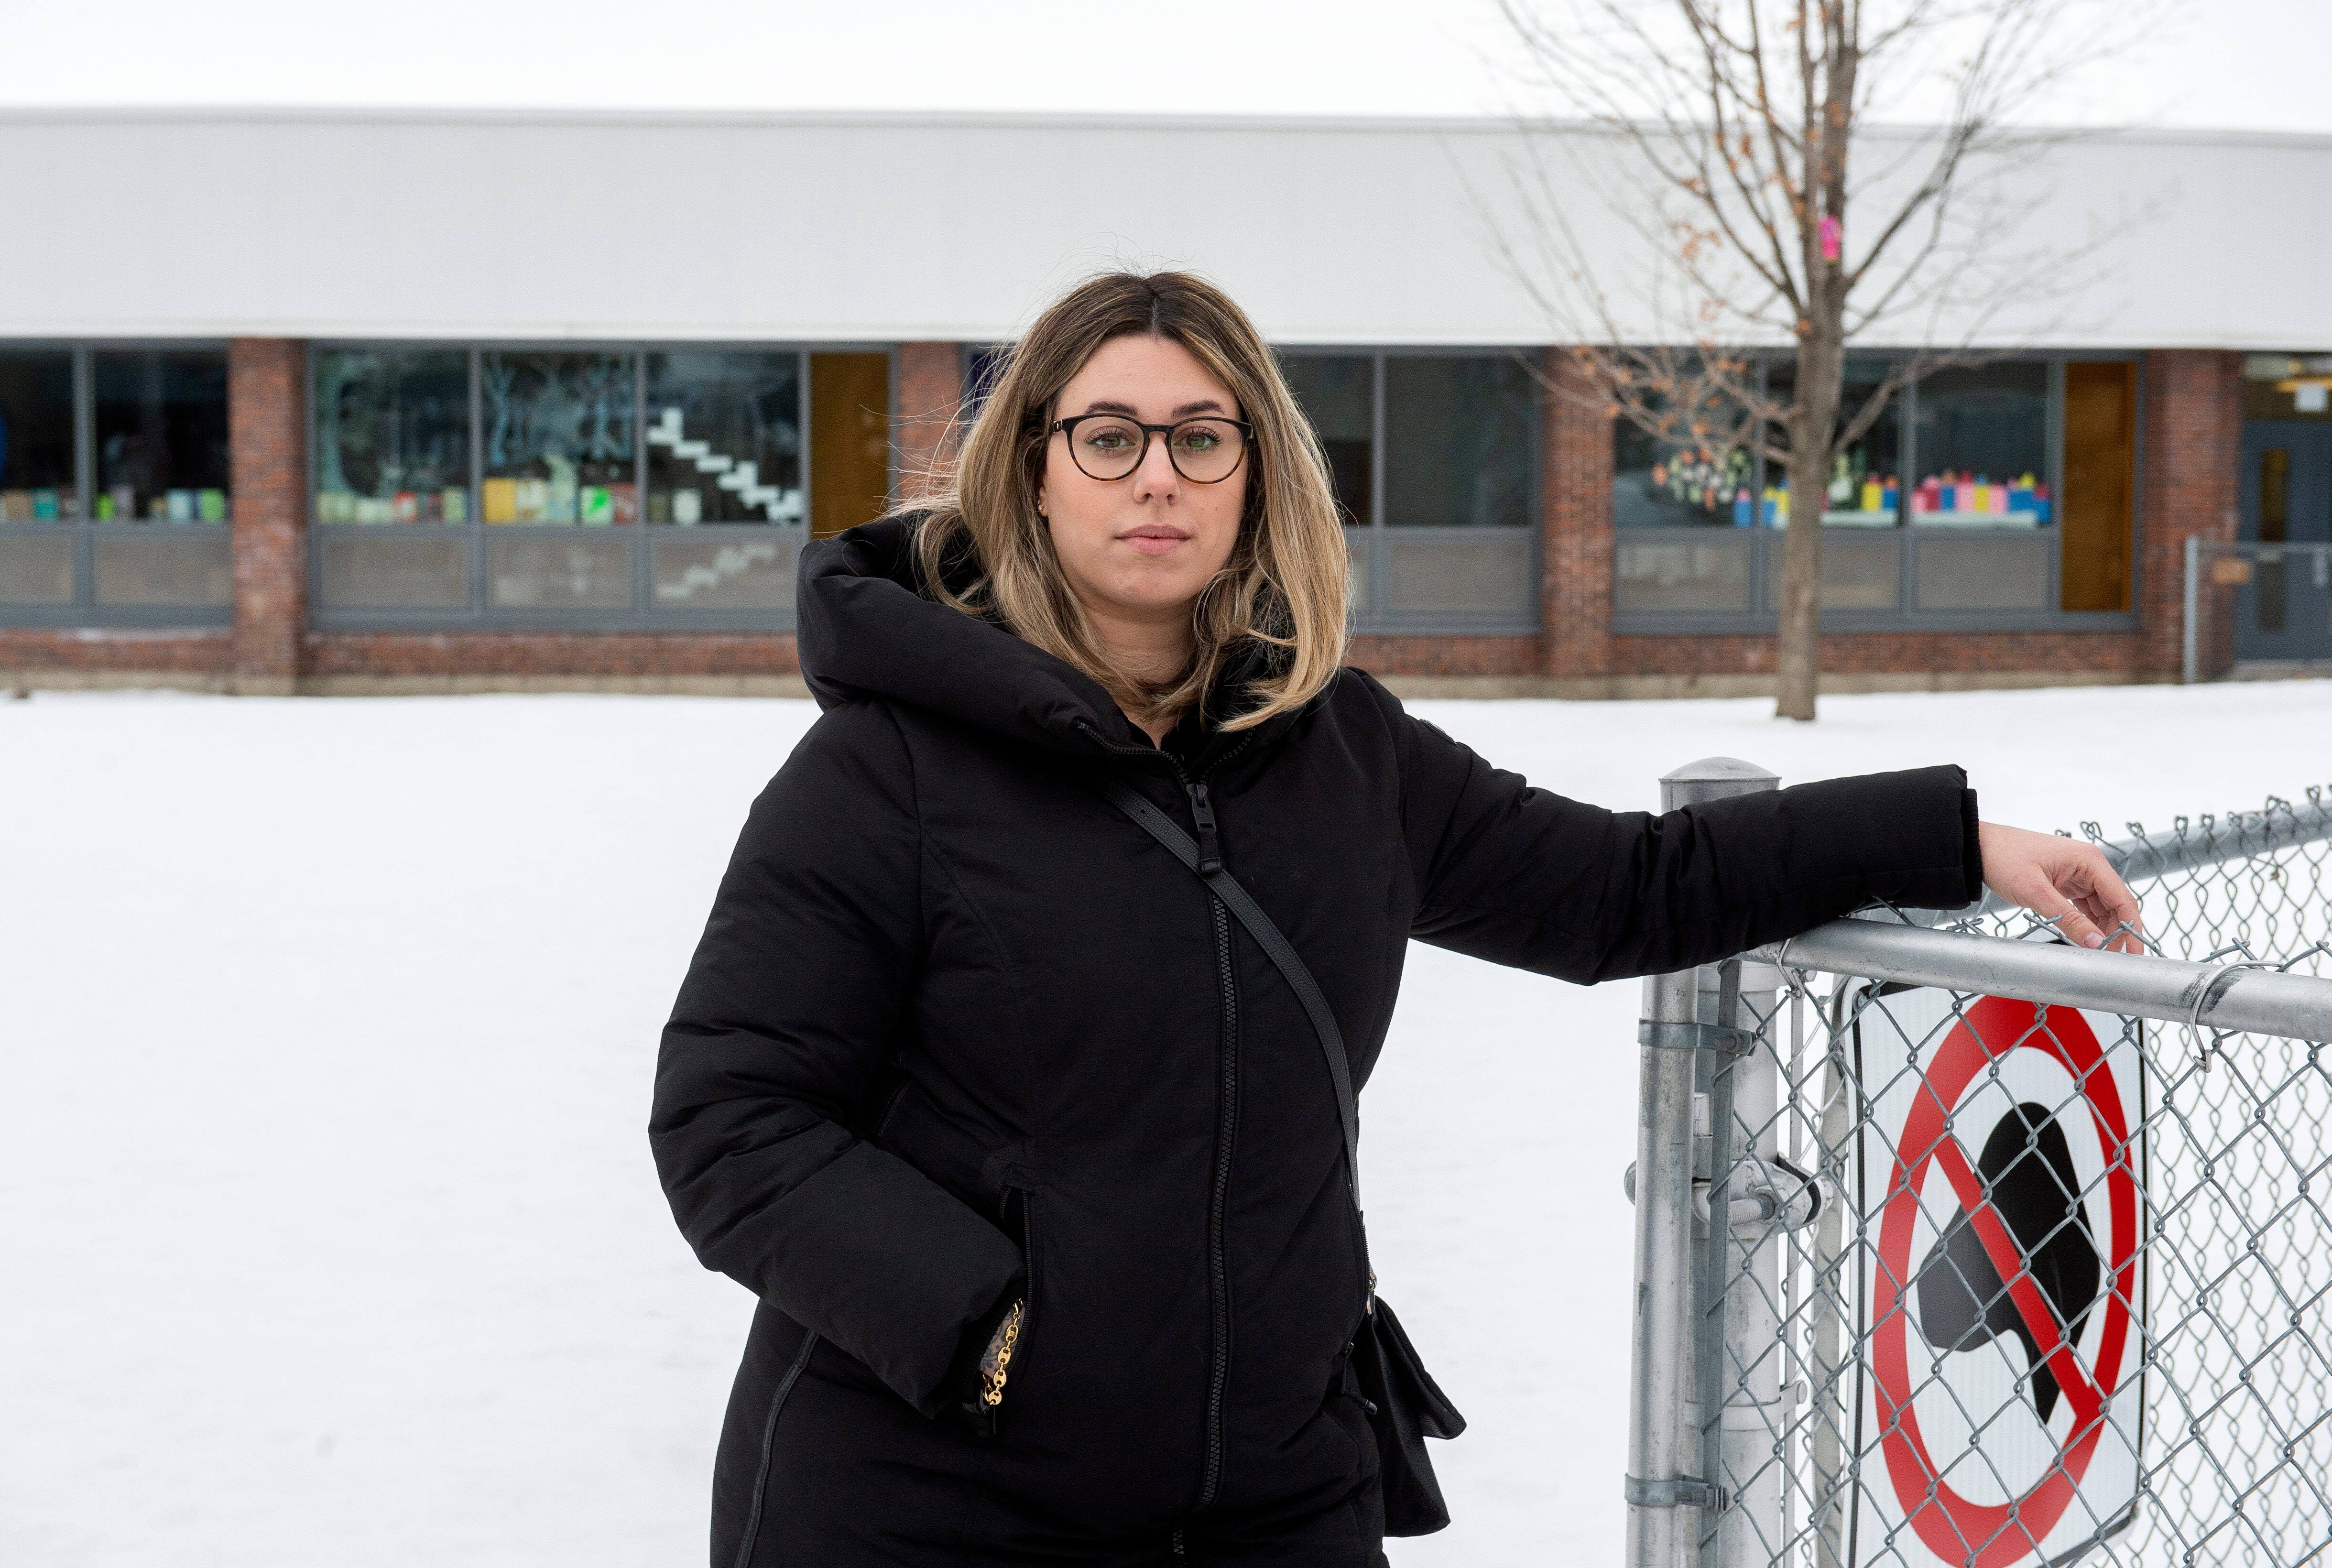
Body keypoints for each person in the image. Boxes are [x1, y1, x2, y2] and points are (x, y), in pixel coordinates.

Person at [649, 270, 2142, 1567]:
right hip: (932, 1505)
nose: (1154, 474)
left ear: (1255, 476)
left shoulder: (1341, 752)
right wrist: (994, 1333)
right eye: (1107, 437)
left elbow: (1627, 886)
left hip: (1274, 1501)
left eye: (1199, 436)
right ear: (1035, 471)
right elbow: (732, 1117)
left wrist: (1953, 836)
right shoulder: (887, 768)